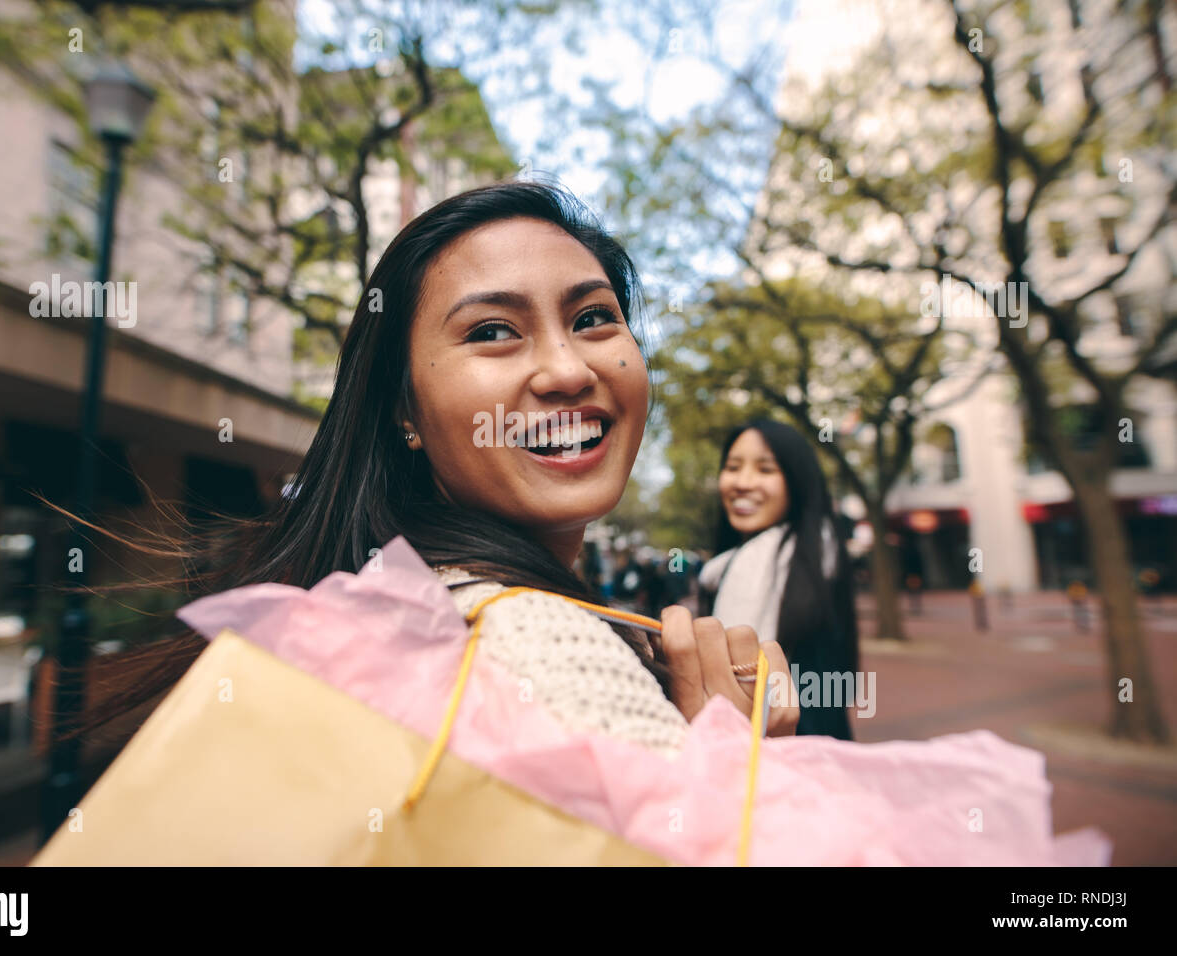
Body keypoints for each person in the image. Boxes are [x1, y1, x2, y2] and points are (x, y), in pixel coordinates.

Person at [70, 181, 799, 755]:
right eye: (492, 331)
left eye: (592, 319)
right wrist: (732, 766)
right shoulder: (540, 647)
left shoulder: (392, 608)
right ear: (404, 412)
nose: (567, 369)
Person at [698, 419, 860, 739]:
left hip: (800, 761)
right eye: (733, 467)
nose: (743, 482)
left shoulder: (818, 566)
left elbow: (830, 696)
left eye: (765, 469)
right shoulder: (722, 570)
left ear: (797, 482)